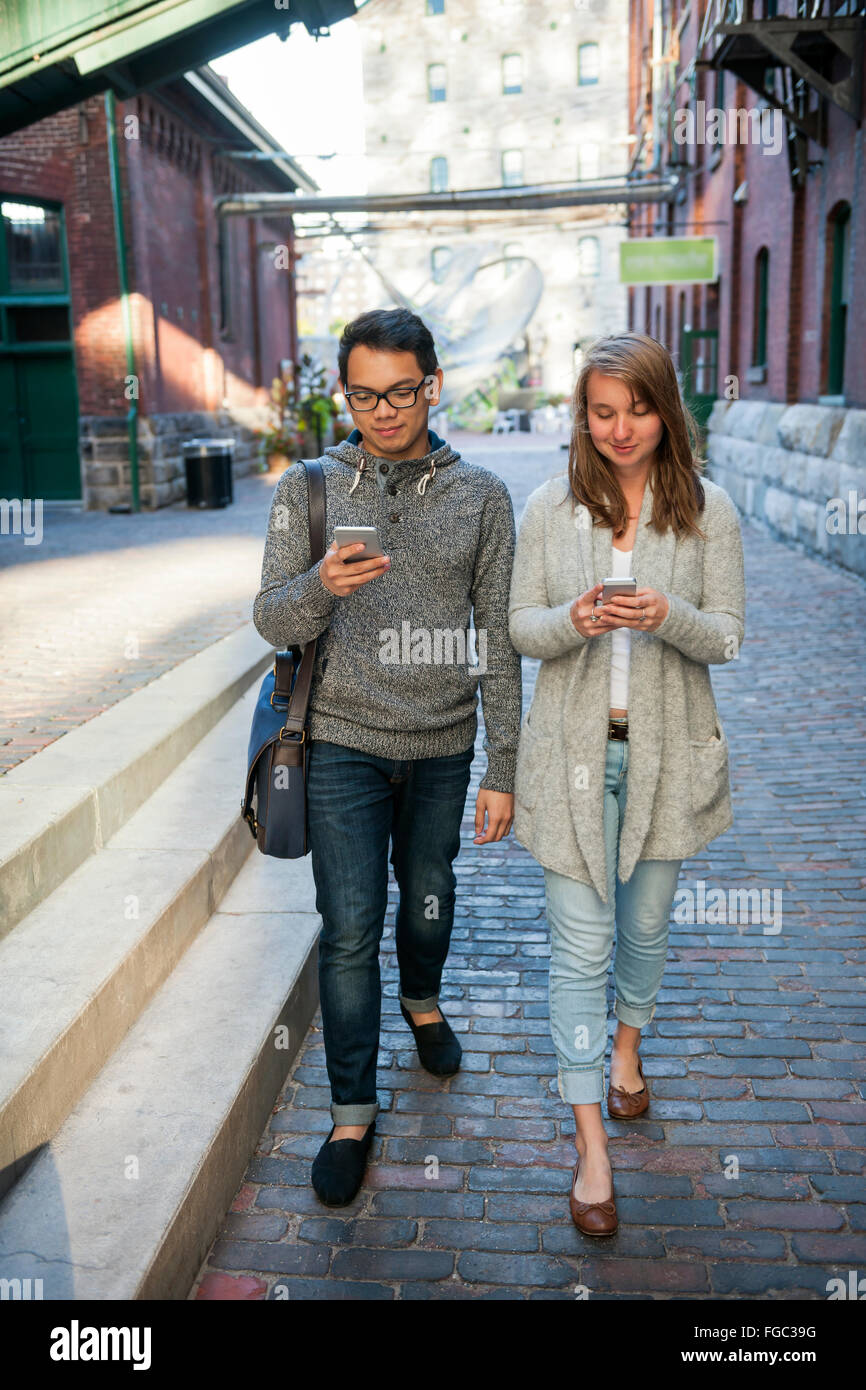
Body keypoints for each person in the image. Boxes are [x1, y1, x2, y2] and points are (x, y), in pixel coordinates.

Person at [253, 307, 522, 1205]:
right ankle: (353, 1111)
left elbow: (500, 641)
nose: (382, 410)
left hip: (444, 745)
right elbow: (270, 620)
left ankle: (424, 998)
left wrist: (504, 767)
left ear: (432, 385)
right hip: (341, 745)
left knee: (431, 903)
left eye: (399, 391)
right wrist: (320, 585)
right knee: (348, 926)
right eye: (362, 394)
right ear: (347, 394)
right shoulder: (311, 488)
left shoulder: (481, 495)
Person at [507, 331, 745, 1235]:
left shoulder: (706, 510)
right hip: (567, 759)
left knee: (644, 928)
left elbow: (727, 634)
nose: (620, 429)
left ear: (666, 409)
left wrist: (667, 614)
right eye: (602, 412)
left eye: (638, 409)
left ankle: (628, 1053)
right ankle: (591, 1147)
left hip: (667, 756)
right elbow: (522, 630)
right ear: (583, 416)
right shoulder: (547, 507)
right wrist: (573, 618)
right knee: (579, 949)